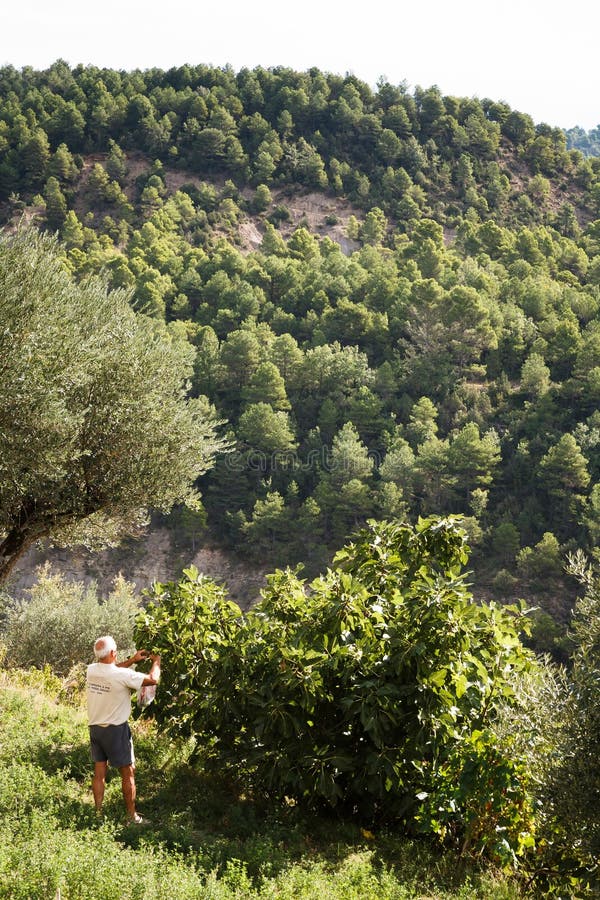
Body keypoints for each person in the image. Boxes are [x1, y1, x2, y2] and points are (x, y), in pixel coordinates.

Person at [86, 635, 161, 823]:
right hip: (116, 730)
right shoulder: (121, 675)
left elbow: (112, 670)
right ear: (113, 653)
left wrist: (133, 660)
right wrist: (157, 661)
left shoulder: (91, 670)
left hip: (96, 728)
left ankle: (98, 813)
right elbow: (152, 679)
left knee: (99, 771)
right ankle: (132, 816)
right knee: (128, 772)